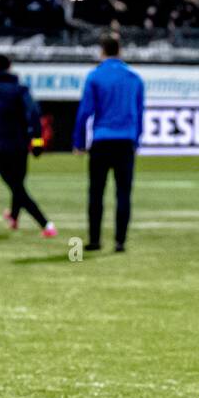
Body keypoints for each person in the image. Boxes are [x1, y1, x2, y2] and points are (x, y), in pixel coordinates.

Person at [72, 32, 145, 253]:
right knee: (123, 193)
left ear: (101, 51)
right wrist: (136, 140)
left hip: (102, 140)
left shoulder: (95, 76)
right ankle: (120, 241)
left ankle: (95, 240)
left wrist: (79, 142)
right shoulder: (134, 79)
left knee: (96, 192)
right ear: (120, 51)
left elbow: (85, 112)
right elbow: (139, 113)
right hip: (125, 142)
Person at [0, 54, 57, 238]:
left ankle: (46, 224)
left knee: (16, 187)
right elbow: (34, 115)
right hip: (19, 146)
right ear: (10, 66)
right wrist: (37, 142)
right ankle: (14, 217)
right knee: (17, 184)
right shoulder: (20, 89)